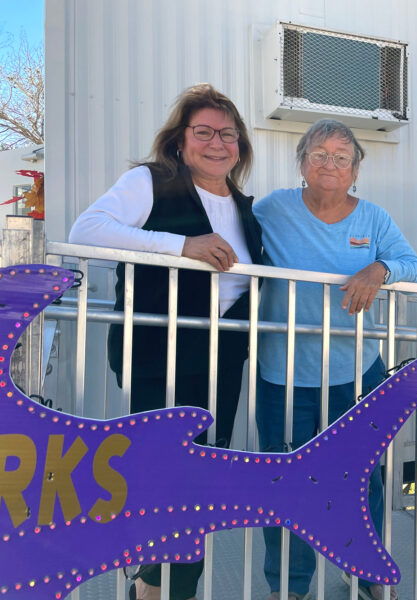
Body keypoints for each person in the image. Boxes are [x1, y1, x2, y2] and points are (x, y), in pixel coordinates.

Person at [68, 83, 263, 600]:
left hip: (221, 366)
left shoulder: (244, 207)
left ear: (240, 145)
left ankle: (150, 586)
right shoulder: (150, 181)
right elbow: (87, 230)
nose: (217, 142)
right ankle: (169, 591)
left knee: (197, 486)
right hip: (159, 358)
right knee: (173, 488)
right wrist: (183, 246)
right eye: (203, 132)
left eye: (228, 134)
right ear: (180, 140)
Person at [253, 118, 417, 600]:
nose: (330, 163)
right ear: (303, 163)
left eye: (342, 156)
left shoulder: (373, 218)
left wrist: (380, 268)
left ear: (355, 170)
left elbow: (415, 264)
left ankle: (363, 570)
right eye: (320, 154)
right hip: (282, 374)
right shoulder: (273, 208)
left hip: (356, 373)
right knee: (283, 482)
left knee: (363, 479)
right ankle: (290, 585)